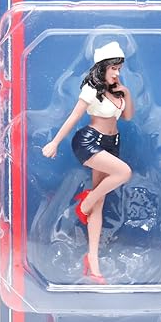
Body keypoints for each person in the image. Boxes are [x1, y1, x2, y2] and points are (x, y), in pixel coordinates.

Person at [42, 41, 134, 284]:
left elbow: (127, 117)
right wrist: (54, 143)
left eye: (119, 69)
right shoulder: (90, 90)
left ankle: (92, 262)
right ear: (102, 67)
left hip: (112, 143)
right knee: (124, 173)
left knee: (100, 204)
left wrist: (126, 93)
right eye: (113, 68)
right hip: (90, 141)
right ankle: (84, 205)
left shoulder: (117, 91)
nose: (117, 73)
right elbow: (74, 116)